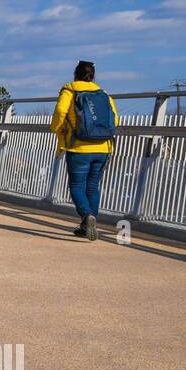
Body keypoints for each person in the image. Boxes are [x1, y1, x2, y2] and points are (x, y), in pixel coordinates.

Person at [50, 60, 118, 241]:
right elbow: (115, 119)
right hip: (103, 147)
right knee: (93, 186)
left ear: (75, 74)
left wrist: (56, 129)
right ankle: (86, 225)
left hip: (78, 146)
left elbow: (60, 111)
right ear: (93, 76)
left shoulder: (70, 90)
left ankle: (87, 216)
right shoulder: (103, 94)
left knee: (76, 185)